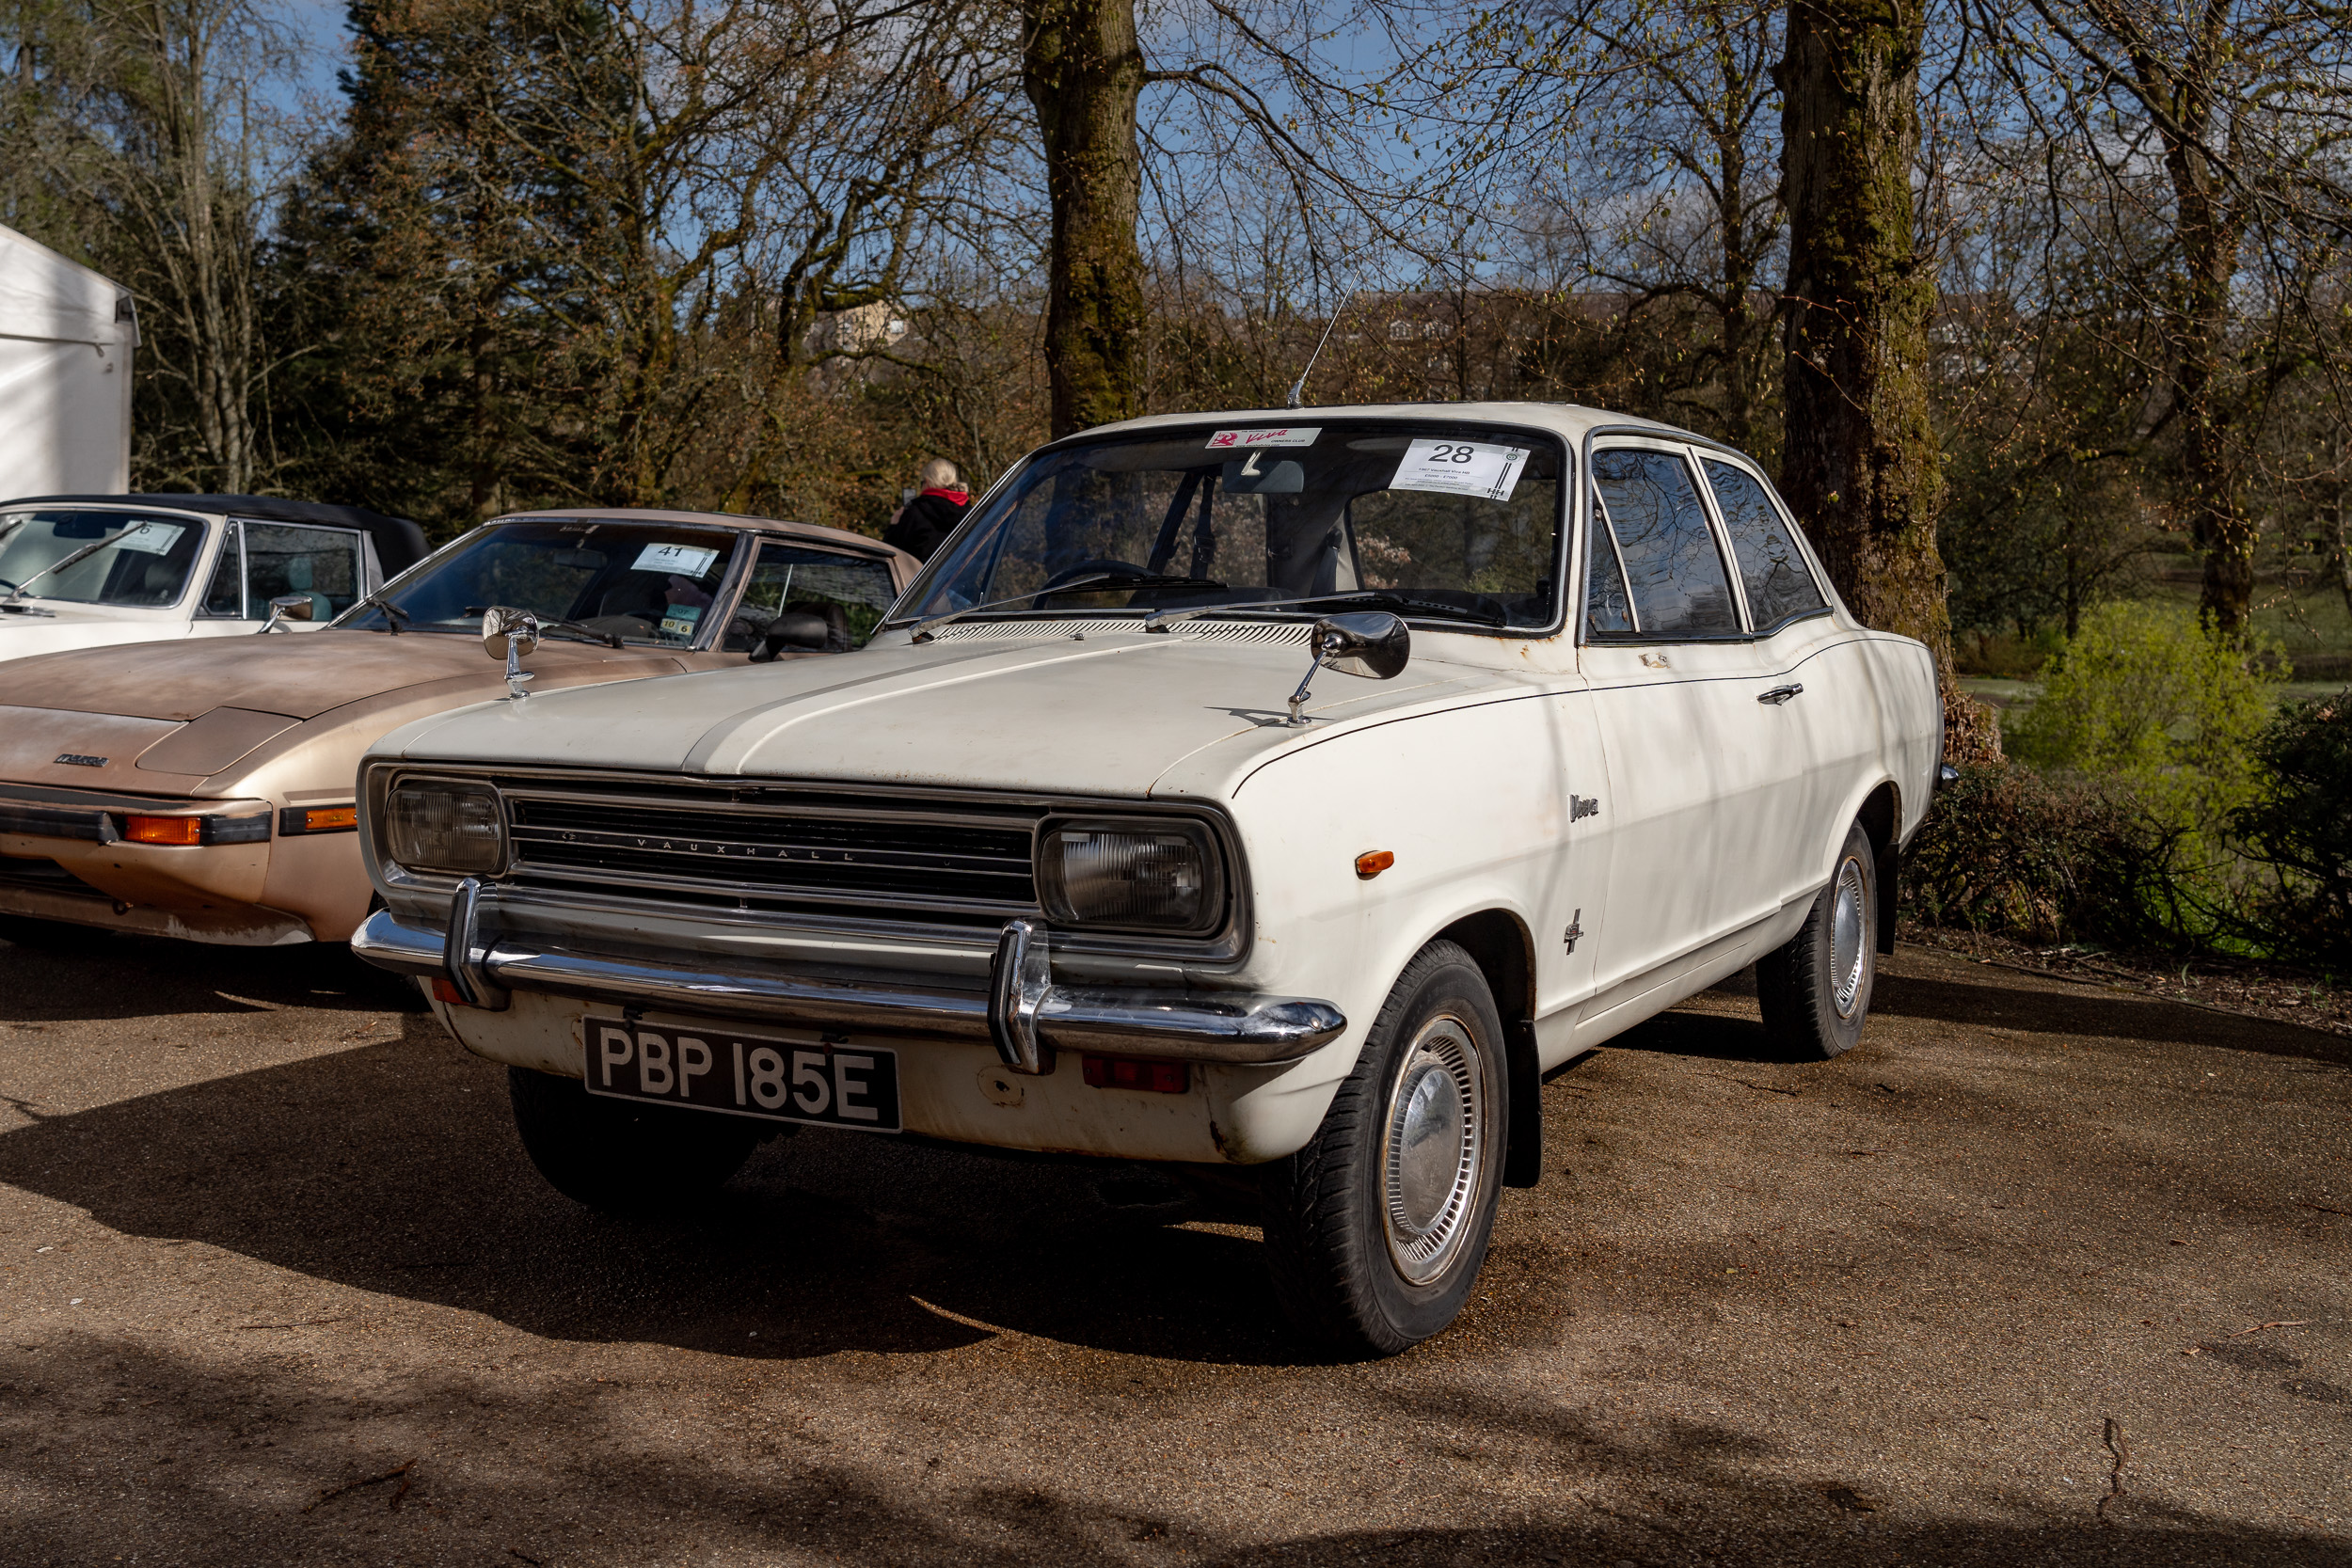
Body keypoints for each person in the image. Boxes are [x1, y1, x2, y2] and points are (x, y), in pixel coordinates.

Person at [883, 457, 969, 562]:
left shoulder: (915, 512)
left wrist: (894, 525)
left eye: (922, 482)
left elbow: (890, 554)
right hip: (957, 576)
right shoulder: (970, 513)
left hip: (918, 575)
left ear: (927, 482)